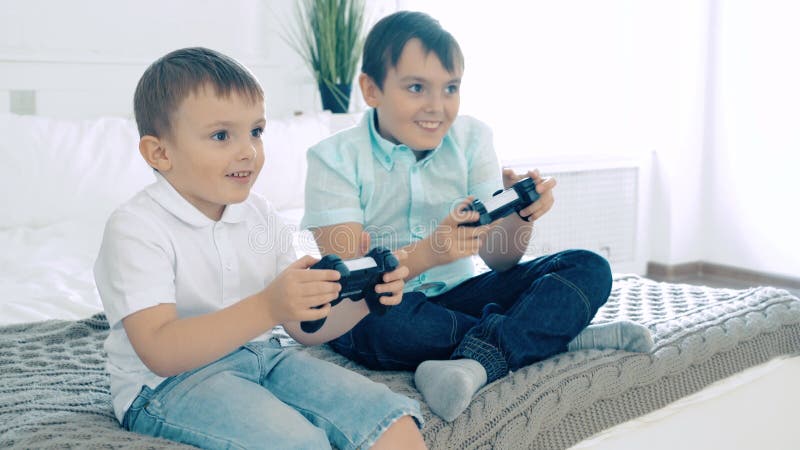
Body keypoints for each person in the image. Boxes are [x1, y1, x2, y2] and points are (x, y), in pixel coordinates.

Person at [301, 11, 653, 422]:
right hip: (381, 307)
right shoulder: (332, 159)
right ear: (371, 89)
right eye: (416, 87)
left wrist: (520, 217)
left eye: (450, 88)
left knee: (588, 267)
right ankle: (548, 333)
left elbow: (500, 260)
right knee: (385, 327)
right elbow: (350, 283)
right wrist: (430, 253)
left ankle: (484, 357)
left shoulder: (473, 138)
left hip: (461, 294)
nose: (437, 107)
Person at [94, 47, 426, 449]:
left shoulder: (261, 214)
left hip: (266, 357)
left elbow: (303, 327)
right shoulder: (136, 227)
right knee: (299, 443)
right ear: (160, 153)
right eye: (221, 136)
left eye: (256, 131)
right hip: (168, 385)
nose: (248, 151)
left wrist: (365, 299)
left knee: (388, 417)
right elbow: (160, 351)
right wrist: (268, 307)